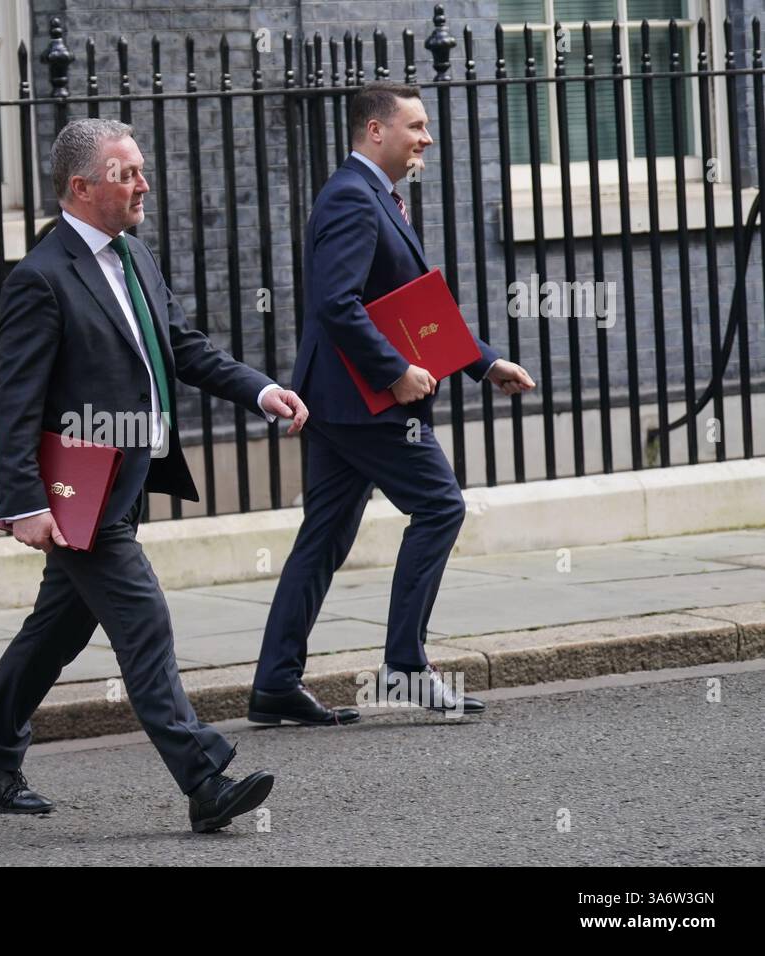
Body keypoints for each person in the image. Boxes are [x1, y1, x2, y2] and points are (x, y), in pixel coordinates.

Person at [0, 118, 309, 833]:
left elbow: (182, 346)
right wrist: (24, 502)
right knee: (145, 622)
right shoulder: (41, 277)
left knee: (56, 630)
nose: (144, 185)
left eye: (142, 170)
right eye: (127, 174)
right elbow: (16, 404)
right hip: (76, 497)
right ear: (82, 187)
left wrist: (260, 390)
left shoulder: (133, 255)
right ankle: (204, 779)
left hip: (122, 483)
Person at [249, 82, 535, 724]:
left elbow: (413, 311)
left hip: (340, 401)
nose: (426, 138)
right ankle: (405, 666)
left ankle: (274, 684)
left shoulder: (373, 195)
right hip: (364, 403)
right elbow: (338, 304)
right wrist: (395, 372)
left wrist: (483, 362)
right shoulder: (353, 197)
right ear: (375, 131)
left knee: (323, 537)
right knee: (440, 506)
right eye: (416, 126)